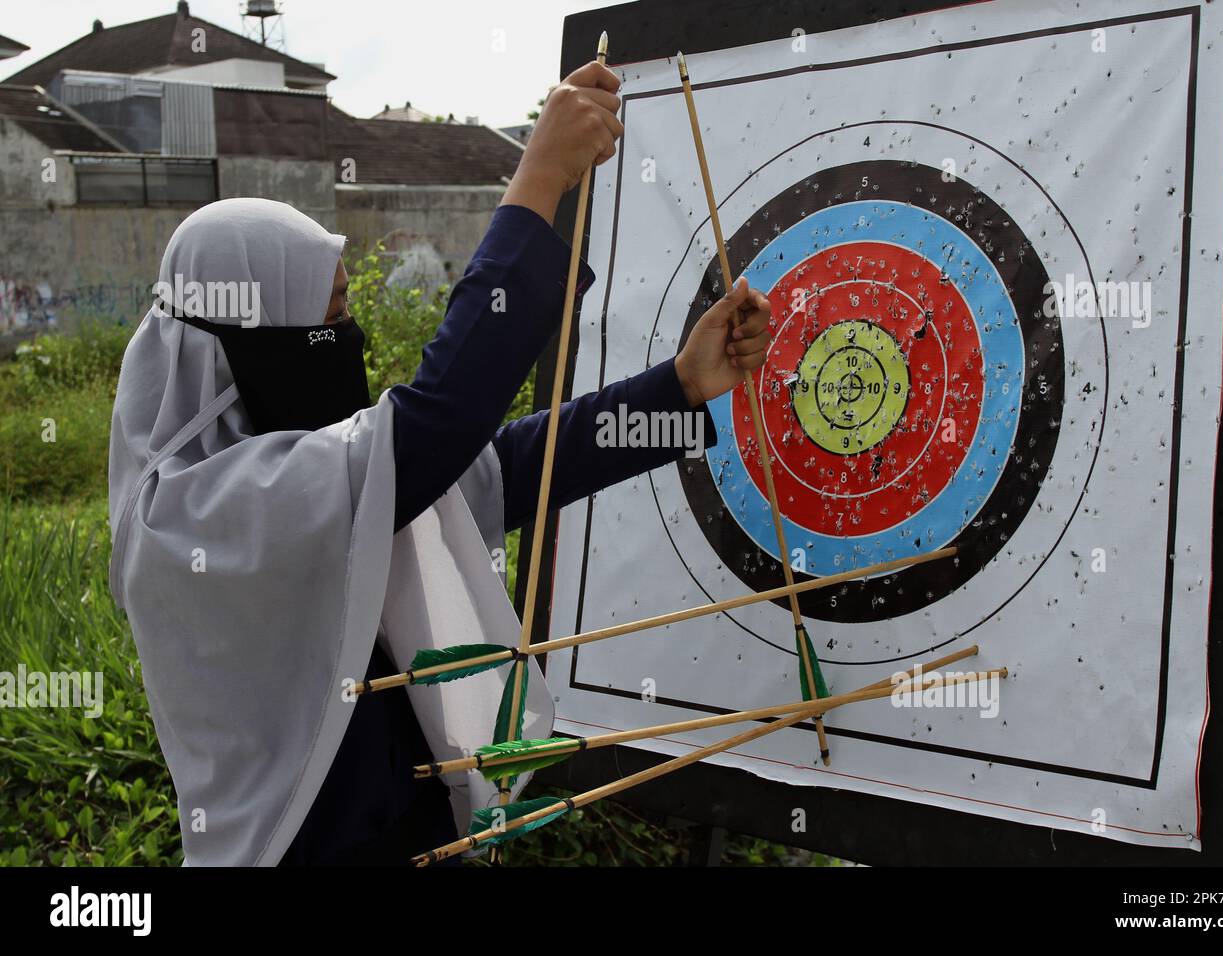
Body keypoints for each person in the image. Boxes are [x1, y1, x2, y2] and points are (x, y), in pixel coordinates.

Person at [107, 60, 773, 866]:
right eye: (330, 317)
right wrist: (540, 180)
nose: (343, 339)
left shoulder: (301, 472)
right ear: (246, 343)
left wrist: (679, 388)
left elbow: (497, 468)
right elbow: (436, 426)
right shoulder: (193, 517)